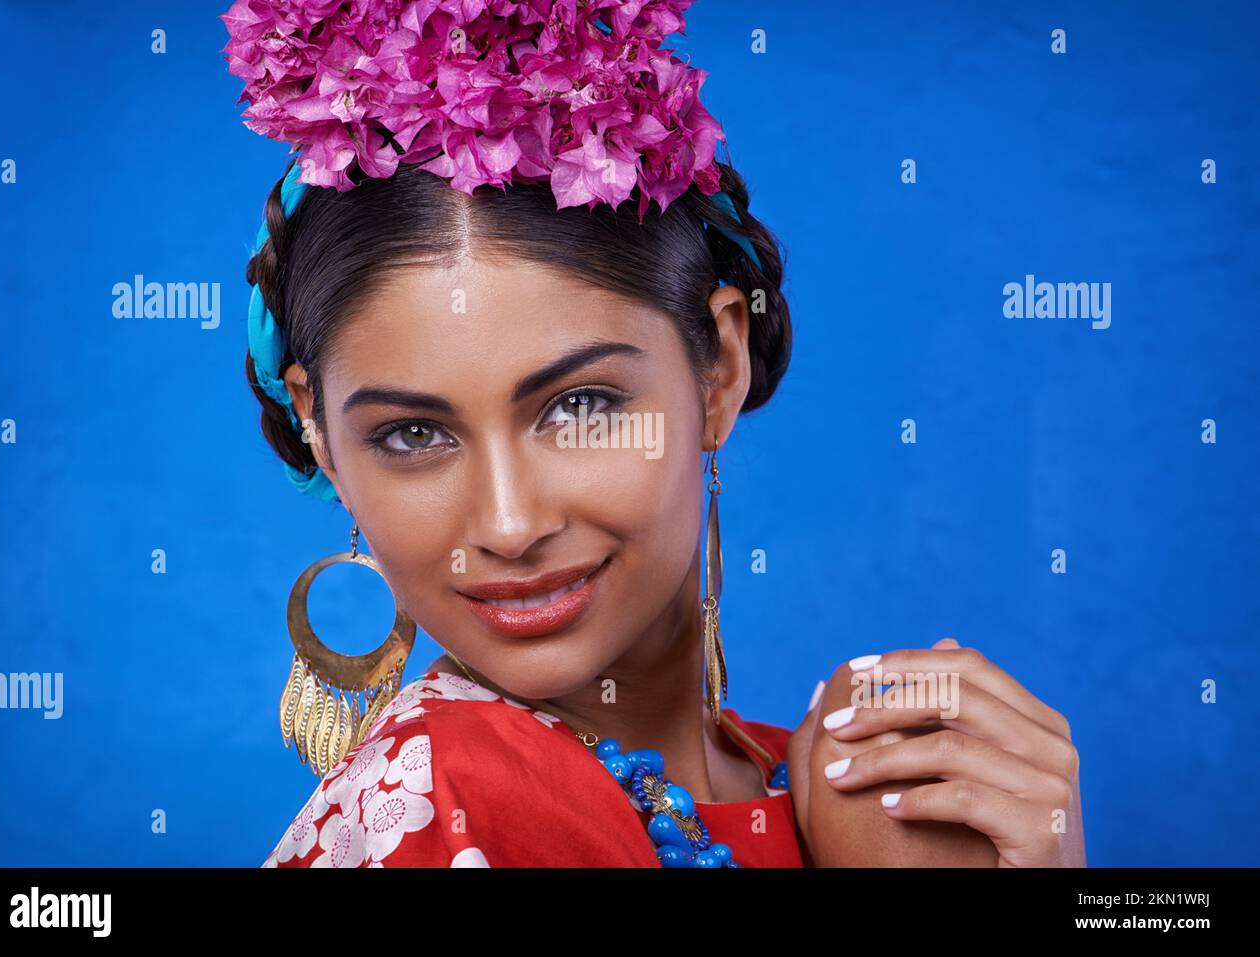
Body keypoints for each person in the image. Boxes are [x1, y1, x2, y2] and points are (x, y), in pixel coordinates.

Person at [225, 0, 1085, 868]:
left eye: (579, 407)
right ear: (321, 434)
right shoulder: (453, 792)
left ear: (718, 366)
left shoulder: (840, 793)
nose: (510, 525)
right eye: (414, 433)